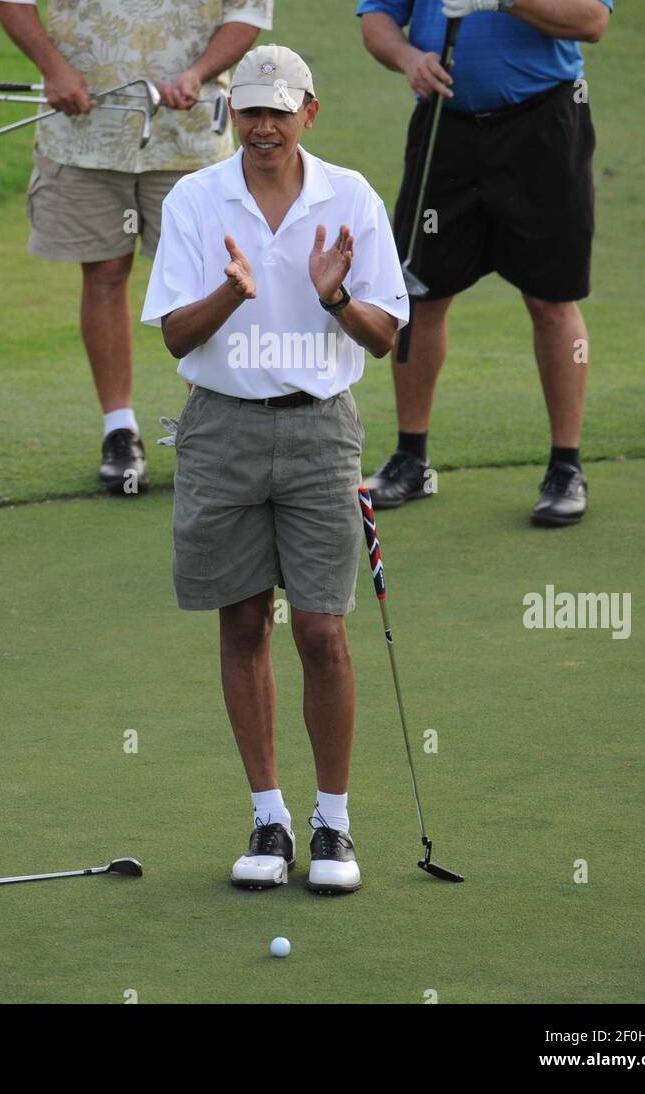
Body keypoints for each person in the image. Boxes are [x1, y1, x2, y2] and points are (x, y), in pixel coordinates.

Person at [141, 45, 408, 893]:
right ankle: (269, 817)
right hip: (219, 430)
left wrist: (333, 296)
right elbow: (176, 335)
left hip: (320, 430)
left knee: (320, 629)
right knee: (244, 622)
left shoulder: (351, 196)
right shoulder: (195, 198)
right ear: (230, 115)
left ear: (308, 114)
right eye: (249, 110)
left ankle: (333, 826)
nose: (262, 126)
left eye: (278, 111)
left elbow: (385, 334)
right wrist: (232, 292)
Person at [0, 0, 273, 493]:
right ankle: (120, 431)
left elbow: (249, 12)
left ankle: (217, 422)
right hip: (88, 137)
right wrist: (55, 68)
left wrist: (201, 72)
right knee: (106, 273)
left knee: (211, 282)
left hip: (189, 138)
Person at [357, 0, 612, 525]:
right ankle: (410, 456)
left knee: (550, 296)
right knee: (418, 292)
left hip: (539, 126)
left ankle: (565, 468)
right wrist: (408, 57)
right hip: (443, 126)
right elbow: (376, 15)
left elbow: (590, 18)